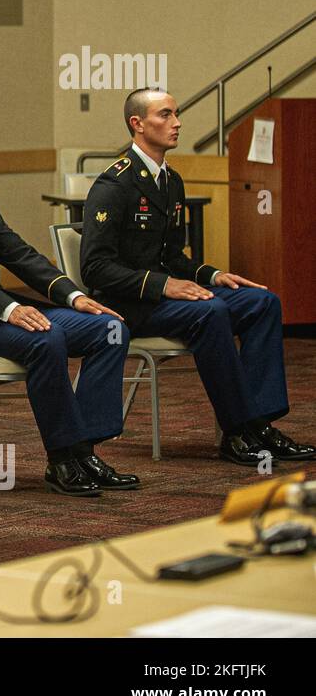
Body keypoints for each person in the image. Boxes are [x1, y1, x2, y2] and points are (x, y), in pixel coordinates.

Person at [80, 88, 314, 466]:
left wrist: (213, 274)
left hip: (164, 296)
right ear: (137, 125)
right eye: (166, 115)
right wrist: (164, 285)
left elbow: (172, 255)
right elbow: (95, 268)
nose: (177, 123)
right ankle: (237, 432)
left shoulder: (171, 181)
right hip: (128, 305)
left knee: (262, 302)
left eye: (177, 114)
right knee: (211, 312)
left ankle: (261, 423)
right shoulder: (114, 184)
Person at [0, 104, 138, 496]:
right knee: (46, 339)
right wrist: (9, 307)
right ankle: (62, 458)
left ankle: (84, 450)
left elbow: (18, 253)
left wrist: (72, 295)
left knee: (109, 328)